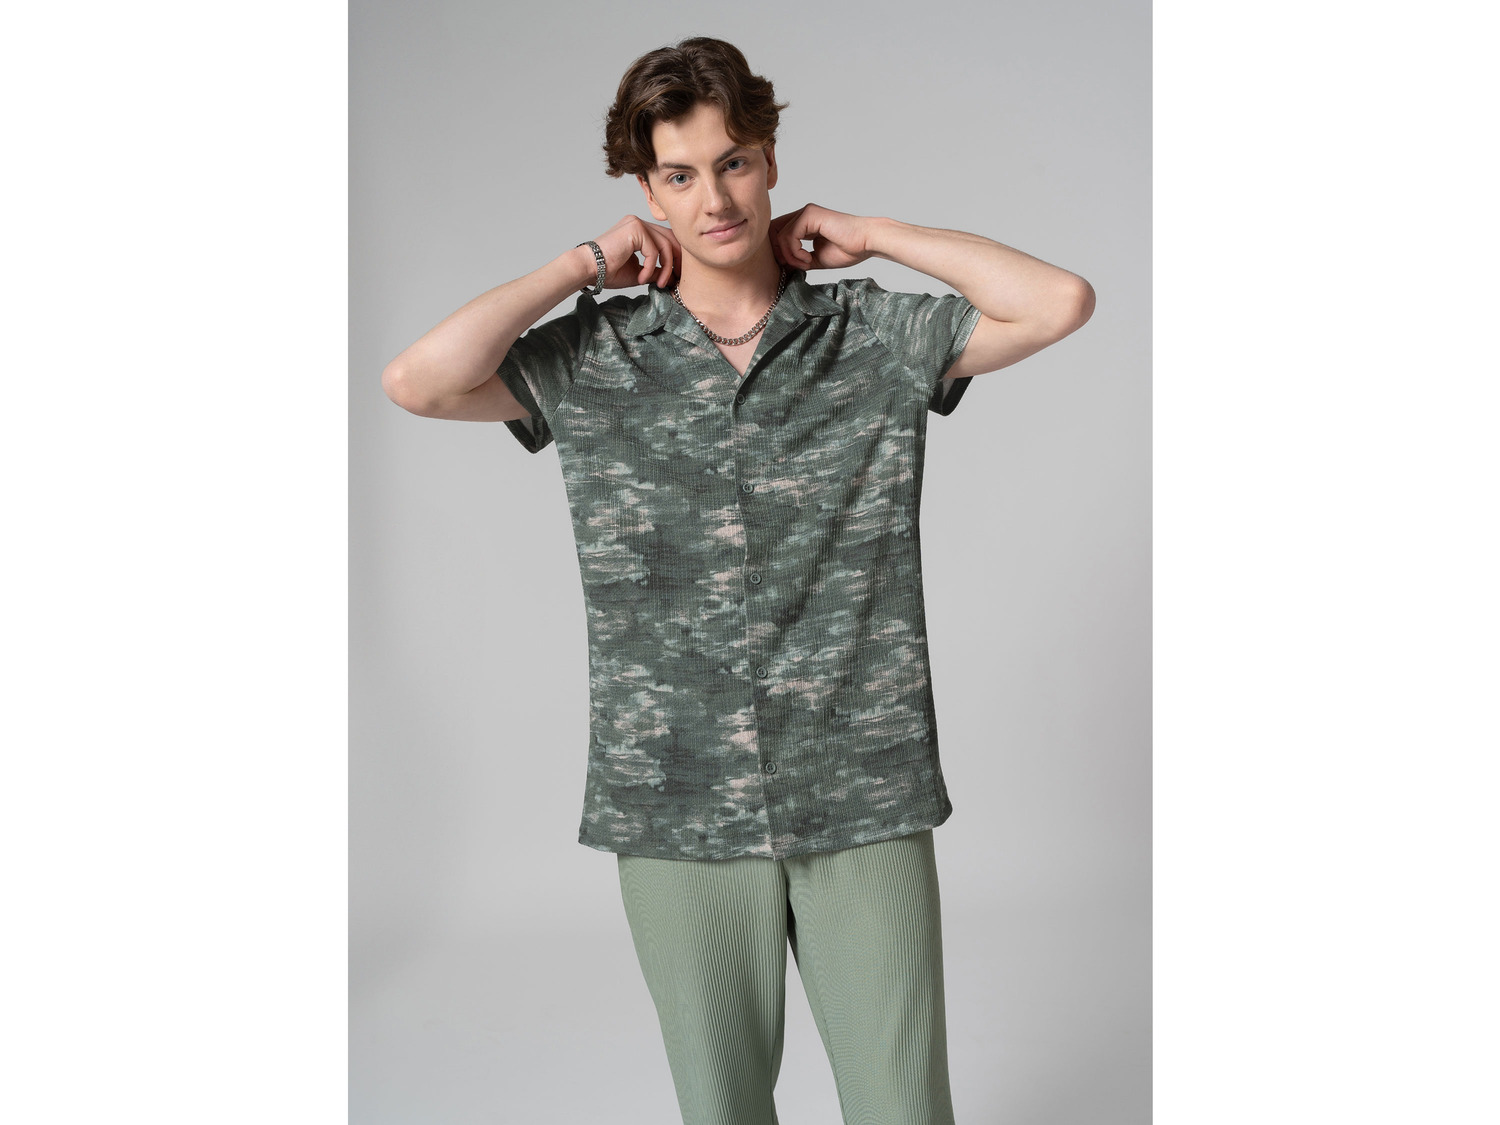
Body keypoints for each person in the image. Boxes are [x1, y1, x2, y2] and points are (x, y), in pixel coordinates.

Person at [382, 35, 1093, 1125]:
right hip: (675, 796)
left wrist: (870, 234)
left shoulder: (869, 333)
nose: (713, 199)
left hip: (861, 783)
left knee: (904, 1107)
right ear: (645, 190)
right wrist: (579, 265)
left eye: (734, 163)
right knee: (722, 1111)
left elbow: (1058, 301)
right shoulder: (597, 354)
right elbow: (418, 382)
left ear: (769, 161)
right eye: (679, 174)